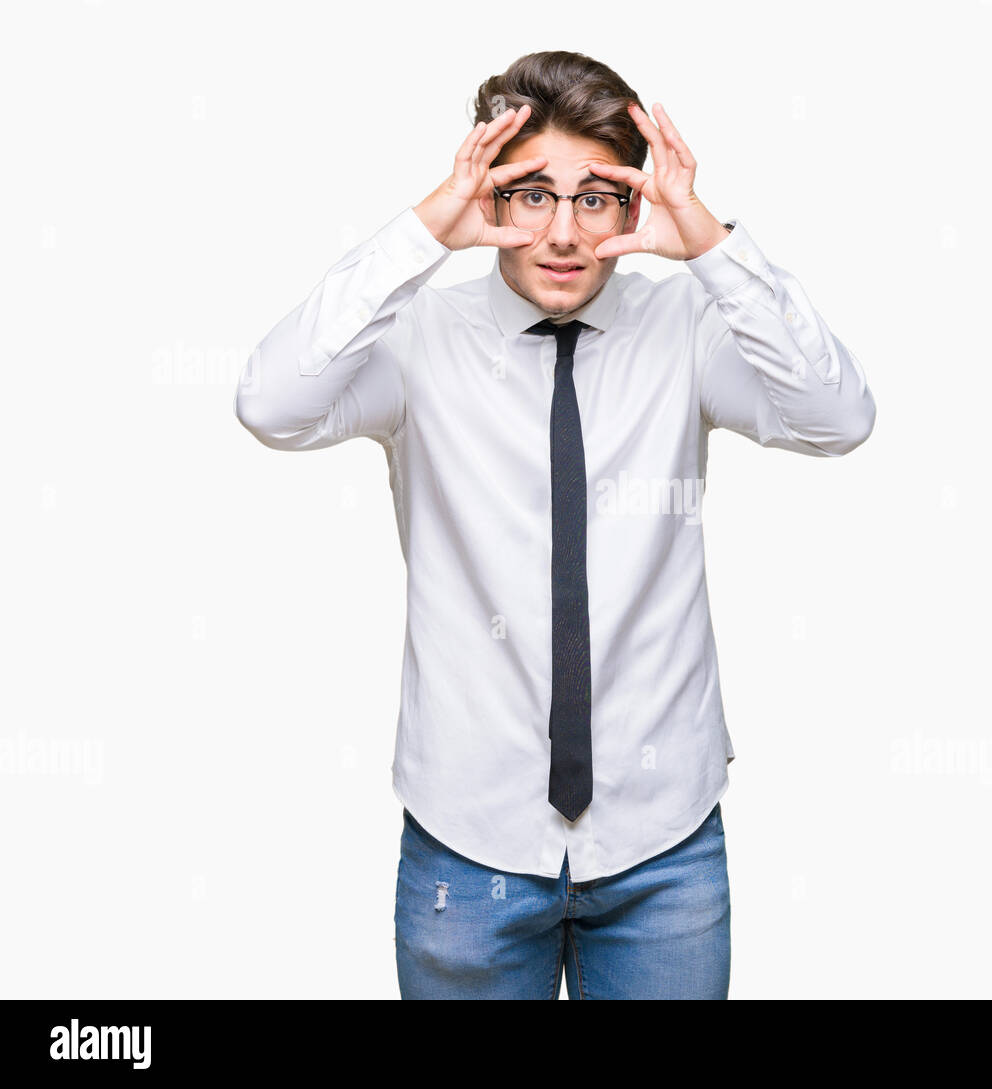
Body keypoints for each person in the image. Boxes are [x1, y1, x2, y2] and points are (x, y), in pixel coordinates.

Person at [235, 50, 876, 1000]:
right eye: (531, 194)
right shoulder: (417, 342)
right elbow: (269, 404)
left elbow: (839, 418)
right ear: (489, 199)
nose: (564, 233)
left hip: (664, 852)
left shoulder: (691, 329)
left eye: (595, 197)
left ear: (632, 204)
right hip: (469, 841)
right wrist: (420, 235)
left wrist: (710, 243)